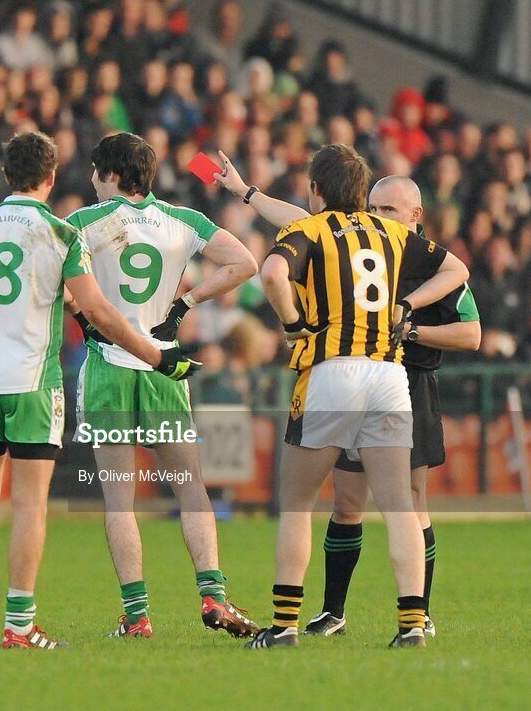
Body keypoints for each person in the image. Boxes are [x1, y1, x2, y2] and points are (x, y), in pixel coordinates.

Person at [0, 131, 200, 650]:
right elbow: (97, 312)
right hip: (33, 386)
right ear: (51, 178)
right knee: (30, 506)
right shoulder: (60, 235)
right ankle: (20, 626)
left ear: (5, 175)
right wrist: (156, 355)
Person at [243, 144, 469, 649]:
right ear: (364, 196)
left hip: (331, 373)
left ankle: (283, 626)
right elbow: (457, 269)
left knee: (298, 504)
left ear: (316, 190)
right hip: (389, 376)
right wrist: (407, 305)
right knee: (399, 507)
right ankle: (412, 625)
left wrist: (293, 325)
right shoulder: (393, 233)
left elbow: (274, 274)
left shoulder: (309, 230)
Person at [66, 132, 260, 639]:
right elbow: (245, 263)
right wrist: (184, 306)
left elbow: (55, 283)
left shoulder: (82, 224)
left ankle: (137, 617)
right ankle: (214, 596)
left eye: (94, 172)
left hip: (109, 365)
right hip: (162, 365)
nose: (91, 181)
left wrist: (82, 313)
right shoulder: (184, 221)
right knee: (192, 490)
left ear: (110, 174)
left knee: (119, 502)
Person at [304, 176, 481, 639]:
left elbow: (471, 334)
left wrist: (412, 331)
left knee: (412, 500)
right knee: (345, 502)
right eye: (374, 208)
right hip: (357, 379)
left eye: (389, 210)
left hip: (412, 383)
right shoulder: (363, 249)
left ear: (415, 216)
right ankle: (333, 612)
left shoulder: (431, 263)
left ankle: (417, 612)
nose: (378, 218)